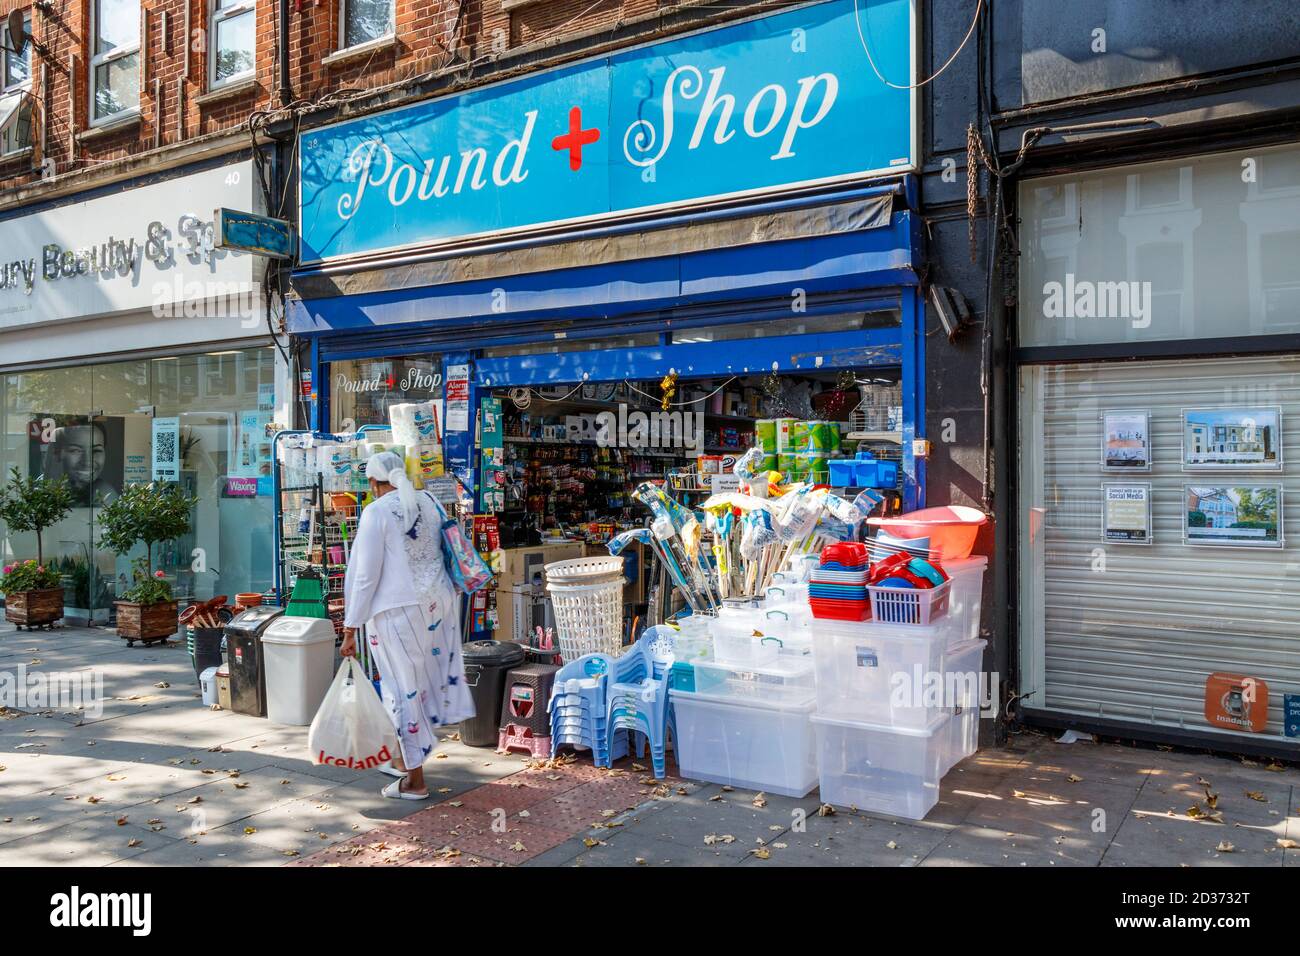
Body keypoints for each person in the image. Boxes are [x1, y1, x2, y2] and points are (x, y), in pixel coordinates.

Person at [339, 451, 474, 800]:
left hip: (398, 612)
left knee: (403, 691)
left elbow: (366, 576)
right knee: (421, 687)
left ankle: (414, 780)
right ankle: (402, 758)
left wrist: (350, 626)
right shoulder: (429, 500)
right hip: (440, 605)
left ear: (373, 483)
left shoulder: (376, 512)